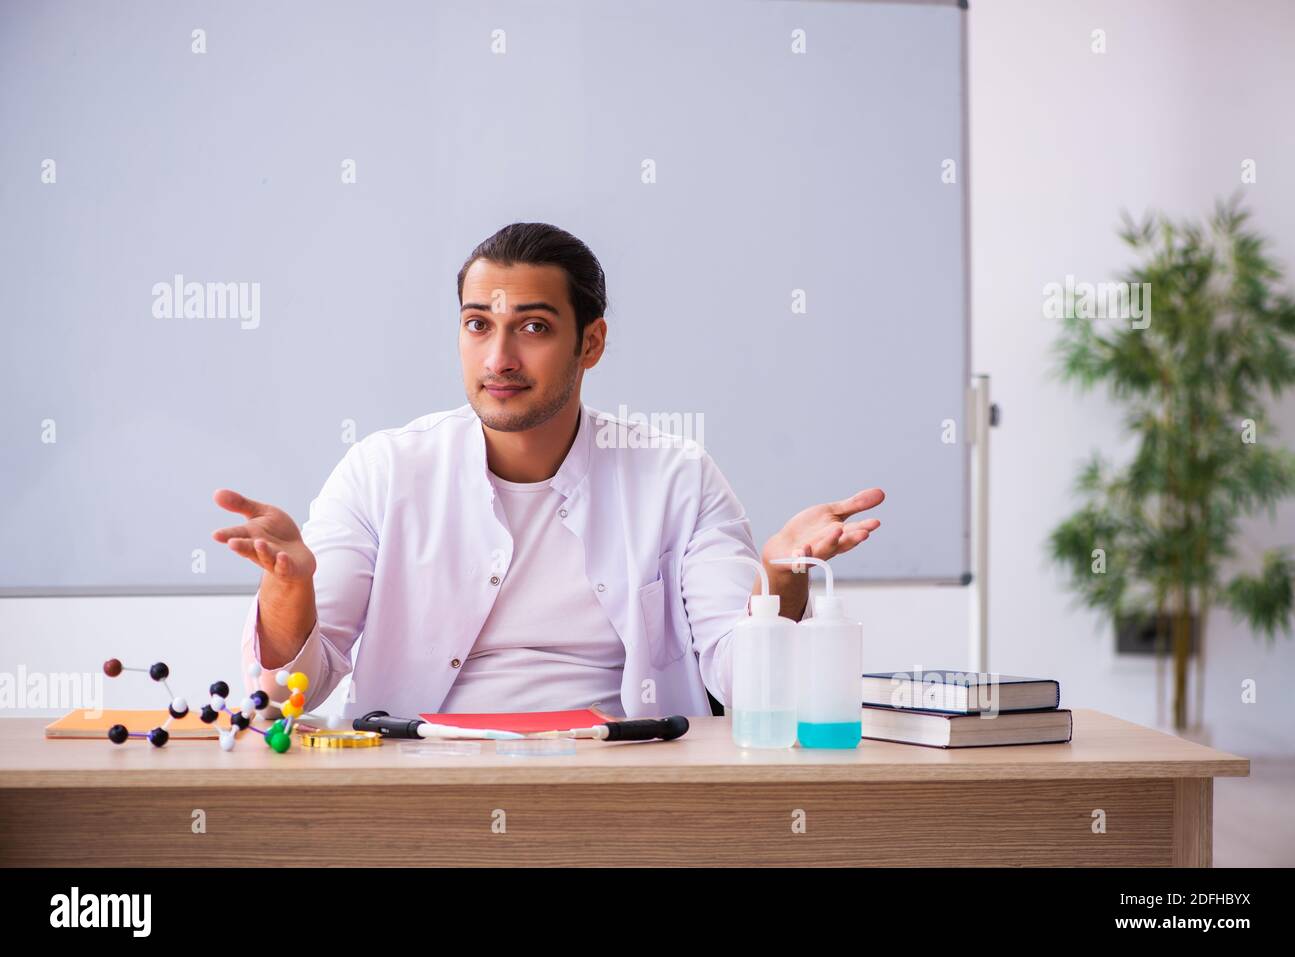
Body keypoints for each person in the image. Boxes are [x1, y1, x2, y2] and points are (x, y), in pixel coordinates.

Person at [213, 223, 884, 720]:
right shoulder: (383, 470)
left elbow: (750, 686)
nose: (498, 357)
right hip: (421, 786)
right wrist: (289, 590)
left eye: (532, 328)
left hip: (624, 789)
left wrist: (781, 578)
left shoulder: (677, 477)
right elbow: (287, 690)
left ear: (590, 342)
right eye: (479, 324)